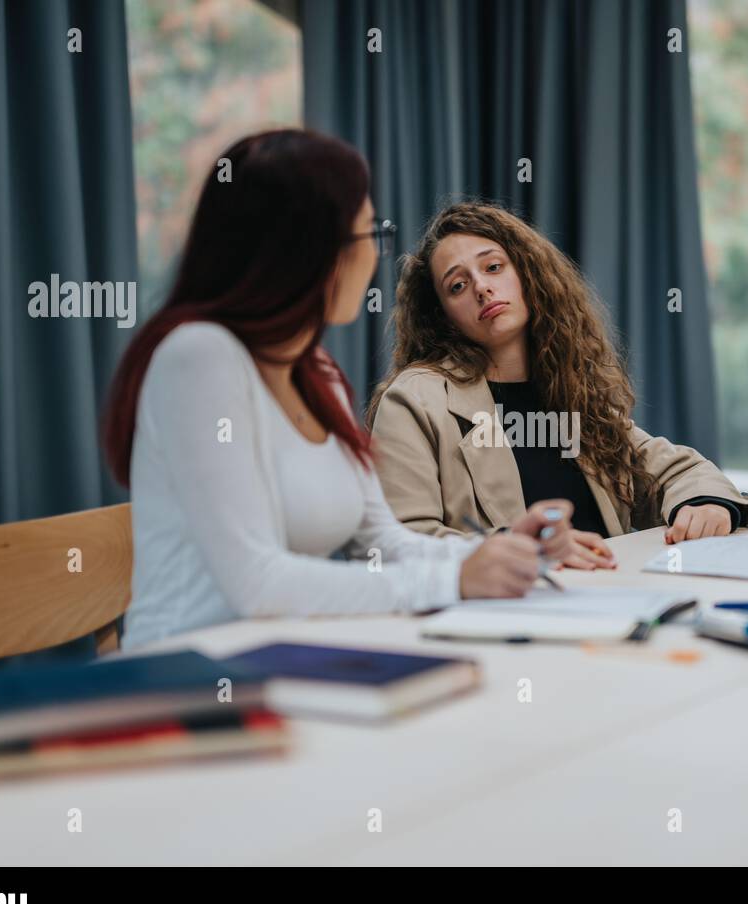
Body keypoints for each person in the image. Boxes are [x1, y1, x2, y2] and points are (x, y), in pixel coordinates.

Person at [102, 132, 573, 647]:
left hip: (279, 659)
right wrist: (453, 579)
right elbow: (257, 584)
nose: (375, 258)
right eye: (367, 235)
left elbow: (383, 541)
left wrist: (503, 552)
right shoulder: (199, 356)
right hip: (188, 672)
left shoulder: (315, 370)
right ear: (310, 253)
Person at [366, 201, 748, 570]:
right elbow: (403, 542)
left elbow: (673, 471)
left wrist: (705, 505)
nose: (482, 288)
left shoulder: (571, 389)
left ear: (527, 273)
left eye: (494, 267)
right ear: (444, 317)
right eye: (457, 286)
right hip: (510, 616)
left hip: (614, 599)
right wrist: (527, 551)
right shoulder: (414, 399)